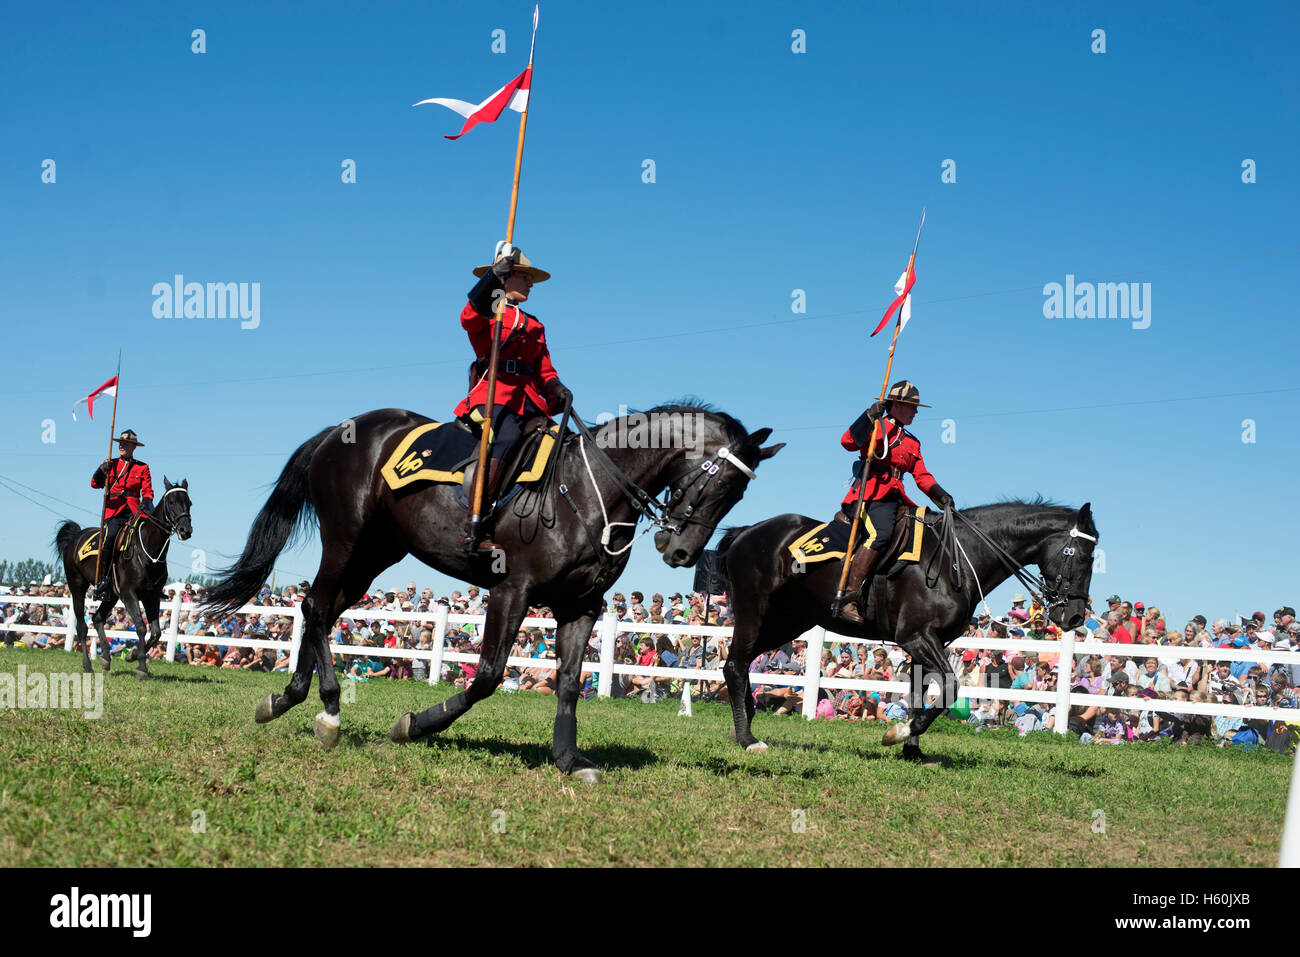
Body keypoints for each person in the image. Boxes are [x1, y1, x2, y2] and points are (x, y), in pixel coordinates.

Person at [453, 243, 572, 551]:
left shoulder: (535, 324)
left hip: (530, 401)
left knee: (562, 442)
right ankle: (477, 521)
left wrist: (556, 386)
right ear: (507, 277)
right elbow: (468, 318)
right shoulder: (486, 314)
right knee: (506, 437)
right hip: (492, 398)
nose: (531, 283)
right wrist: (491, 279)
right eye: (525, 276)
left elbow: (544, 370)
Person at [834, 380, 954, 623]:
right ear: (897, 405)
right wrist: (868, 416)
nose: (916, 412)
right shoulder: (876, 426)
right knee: (880, 534)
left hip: (896, 498)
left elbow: (921, 476)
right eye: (913, 406)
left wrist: (942, 497)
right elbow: (847, 442)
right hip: (870, 495)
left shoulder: (912, 441)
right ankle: (849, 597)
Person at [89, 429, 155, 600]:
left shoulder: (143, 467)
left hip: (134, 510)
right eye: (120, 443)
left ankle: (154, 579)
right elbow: (94, 484)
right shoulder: (110, 463)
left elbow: (148, 492)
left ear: (134, 447)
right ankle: (102, 581)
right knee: (110, 537)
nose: (121, 446)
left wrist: (148, 506)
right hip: (115, 510)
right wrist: (101, 469)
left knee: (152, 538)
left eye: (126, 444)